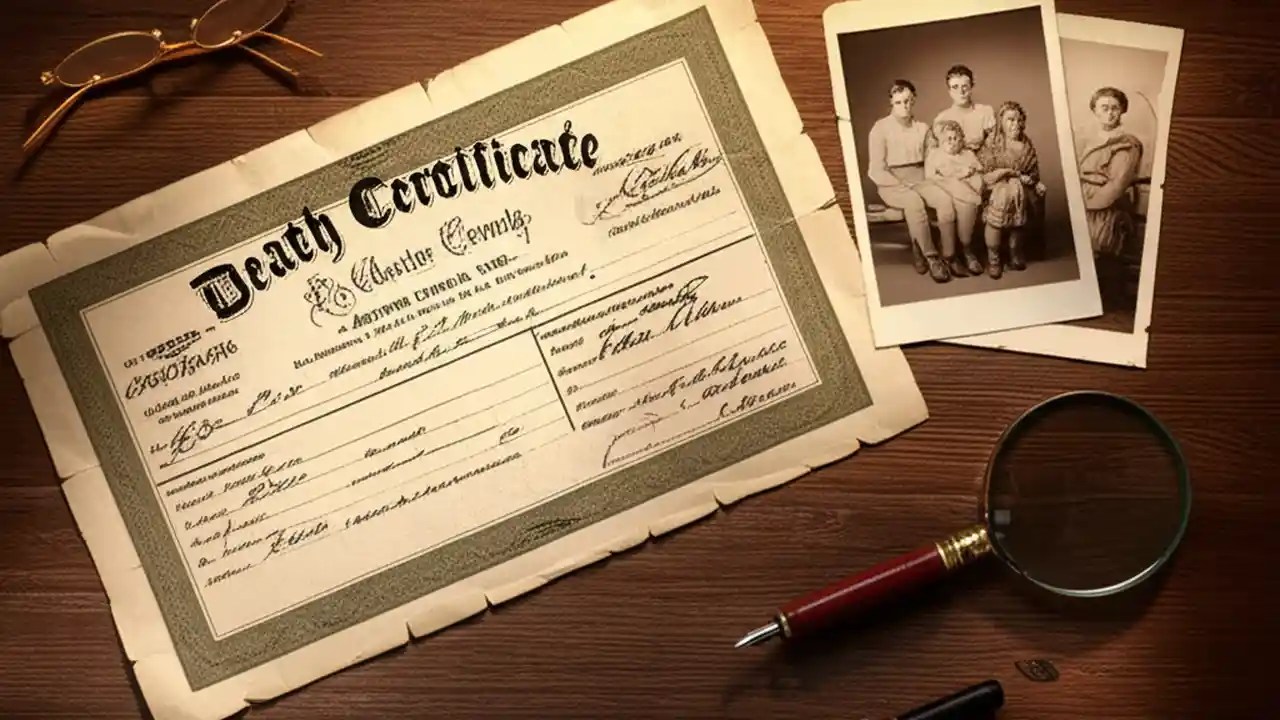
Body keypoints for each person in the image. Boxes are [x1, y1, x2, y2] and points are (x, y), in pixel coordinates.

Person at [865, 79, 968, 283]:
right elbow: (876, 170)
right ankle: (931, 257)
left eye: (908, 101)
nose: (904, 106)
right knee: (914, 202)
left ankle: (950, 255)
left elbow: (931, 160)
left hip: (921, 179)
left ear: (914, 100)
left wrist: (934, 179)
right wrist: (901, 185)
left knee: (945, 202)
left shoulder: (922, 128)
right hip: (892, 183)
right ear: (891, 103)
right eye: (899, 102)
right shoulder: (880, 128)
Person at [1076, 86, 1144, 295]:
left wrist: (1083, 204)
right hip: (1081, 197)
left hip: (1107, 207)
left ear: (1122, 110)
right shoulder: (1083, 138)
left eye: (1115, 108)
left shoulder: (1127, 144)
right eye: (1104, 107)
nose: (1109, 113)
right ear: (1094, 110)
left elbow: (1115, 186)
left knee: (1095, 240)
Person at [978, 101, 1046, 279]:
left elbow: (1032, 173)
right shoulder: (992, 143)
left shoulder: (1026, 145)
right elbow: (985, 173)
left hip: (1021, 189)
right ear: (1001, 122)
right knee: (1003, 197)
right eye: (1010, 120)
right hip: (995, 187)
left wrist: (1034, 182)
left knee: (1021, 202)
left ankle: (1015, 251)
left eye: (1018, 120)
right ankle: (994, 258)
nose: (1015, 124)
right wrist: (1010, 175)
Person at [933, 65, 997, 152]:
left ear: (971, 87)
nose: (961, 92)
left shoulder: (985, 112)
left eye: (964, 86)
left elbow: (992, 149)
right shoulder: (942, 119)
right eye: (955, 87)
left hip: (980, 163)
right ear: (949, 91)